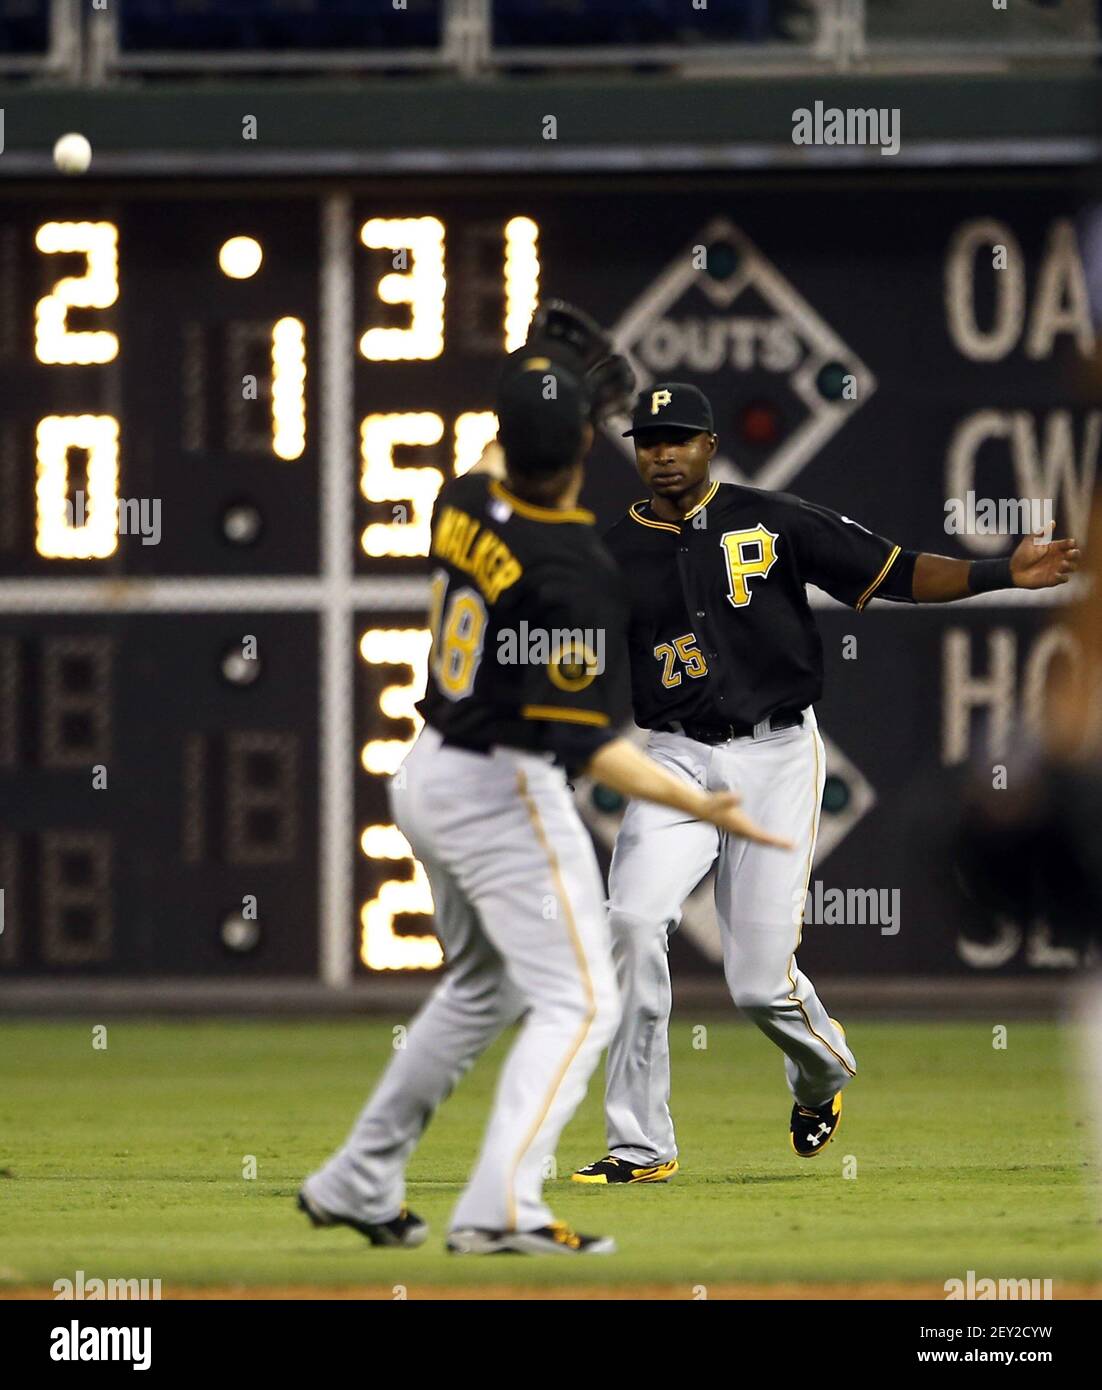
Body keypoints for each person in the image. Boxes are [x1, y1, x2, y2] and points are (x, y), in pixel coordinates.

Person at [299, 360, 788, 1255]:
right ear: (588, 450)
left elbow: (501, 456)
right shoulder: (571, 566)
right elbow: (591, 748)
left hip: (427, 767)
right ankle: (501, 1207)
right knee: (583, 1001)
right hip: (499, 787)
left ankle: (357, 1178)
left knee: (481, 988)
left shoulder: (460, 500)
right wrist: (703, 805)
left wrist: (551, 392)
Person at [572, 380, 1081, 1185]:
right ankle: (640, 1145)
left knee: (757, 985)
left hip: (775, 756)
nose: (664, 454)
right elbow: (574, 655)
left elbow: (896, 571)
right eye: (650, 440)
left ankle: (821, 1075)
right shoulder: (612, 551)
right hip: (674, 757)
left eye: (680, 438)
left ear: (710, 446)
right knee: (631, 923)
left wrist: (1001, 573)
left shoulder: (774, 518)